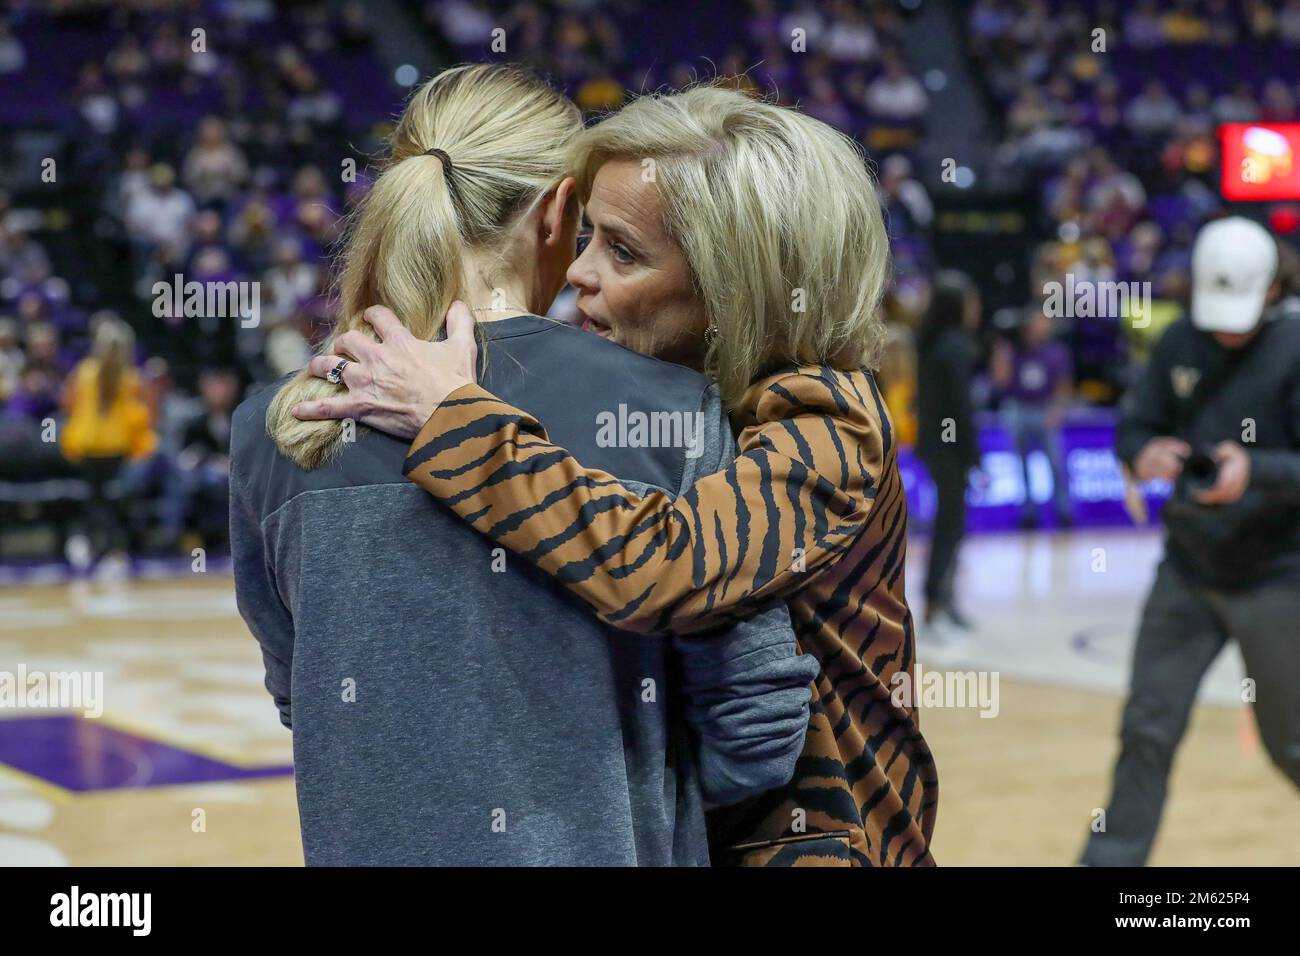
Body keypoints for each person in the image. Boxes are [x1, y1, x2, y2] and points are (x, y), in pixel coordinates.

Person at [293, 82, 939, 866]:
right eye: (587, 234)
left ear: (732, 286)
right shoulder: (674, 402)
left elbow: (668, 567)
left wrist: (451, 416)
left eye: (624, 252)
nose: (578, 274)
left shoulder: (829, 419)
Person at [1081, 216, 1300, 866]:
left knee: (1290, 745)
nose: (1227, 326)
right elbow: (1135, 423)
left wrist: (1252, 470)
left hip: (1278, 580)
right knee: (1146, 730)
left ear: (1272, 288)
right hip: (1186, 571)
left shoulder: (1295, 346)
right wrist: (1143, 452)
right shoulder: (1181, 338)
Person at [914, 271, 983, 644]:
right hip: (950, 451)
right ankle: (935, 604)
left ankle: (942, 601)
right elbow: (959, 408)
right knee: (950, 527)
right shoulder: (955, 346)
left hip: (934, 446)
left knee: (949, 525)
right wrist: (973, 454)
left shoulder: (931, 342)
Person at [59, 318, 157, 572]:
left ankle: (99, 549)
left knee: (98, 500)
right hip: (109, 447)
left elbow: (67, 403)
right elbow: (144, 414)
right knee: (108, 501)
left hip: (94, 446)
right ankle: (110, 551)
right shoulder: (129, 377)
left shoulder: (86, 372)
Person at [993, 308, 1074, 528]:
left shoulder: (1057, 351)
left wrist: (1057, 410)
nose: (1044, 326)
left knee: (1056, 462)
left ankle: (1063, 510)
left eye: (1046, 323)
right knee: (1021, 463)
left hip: (1044, 408)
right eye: (1039, 322)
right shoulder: (1015, 349)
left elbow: (1064, 384)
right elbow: (1000, 381)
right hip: (1018, 408)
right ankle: (1028, 512)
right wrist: (1002, 349)